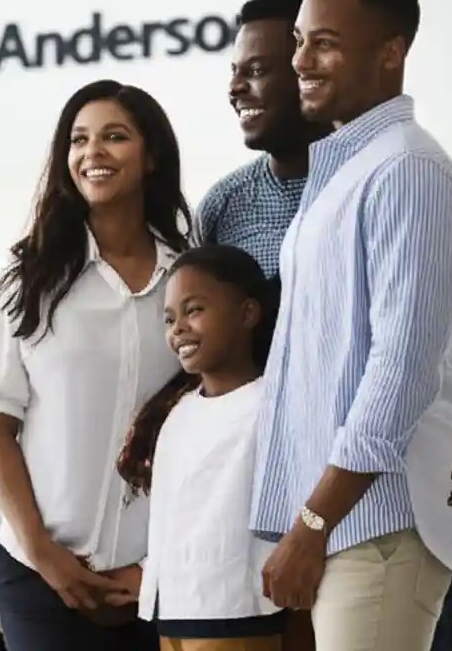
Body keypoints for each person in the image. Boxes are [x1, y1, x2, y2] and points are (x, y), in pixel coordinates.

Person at [199, 0, 452, 651]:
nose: (292, 68)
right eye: (293, 50)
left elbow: (443, 349)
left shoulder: (404, 174)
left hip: (365, 510)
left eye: (264, 65)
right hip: (286, 512)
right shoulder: (234, 205)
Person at [0, 78, 195, 650]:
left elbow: (209, 433)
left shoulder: (189, 281)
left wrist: (155, 568)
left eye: (115, 137)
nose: (94, 153)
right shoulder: (26, 285)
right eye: (79, 139)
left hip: (158, 579)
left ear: (152, 156)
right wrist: (43, 554)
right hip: (40, 575)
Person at [114, 245, 285, 651]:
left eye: (194, 310)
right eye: (170, 319)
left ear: (247, 314)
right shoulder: (177, 413)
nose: (178, 330)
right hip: (172, 614)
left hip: (237, 613)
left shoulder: (272, 407)